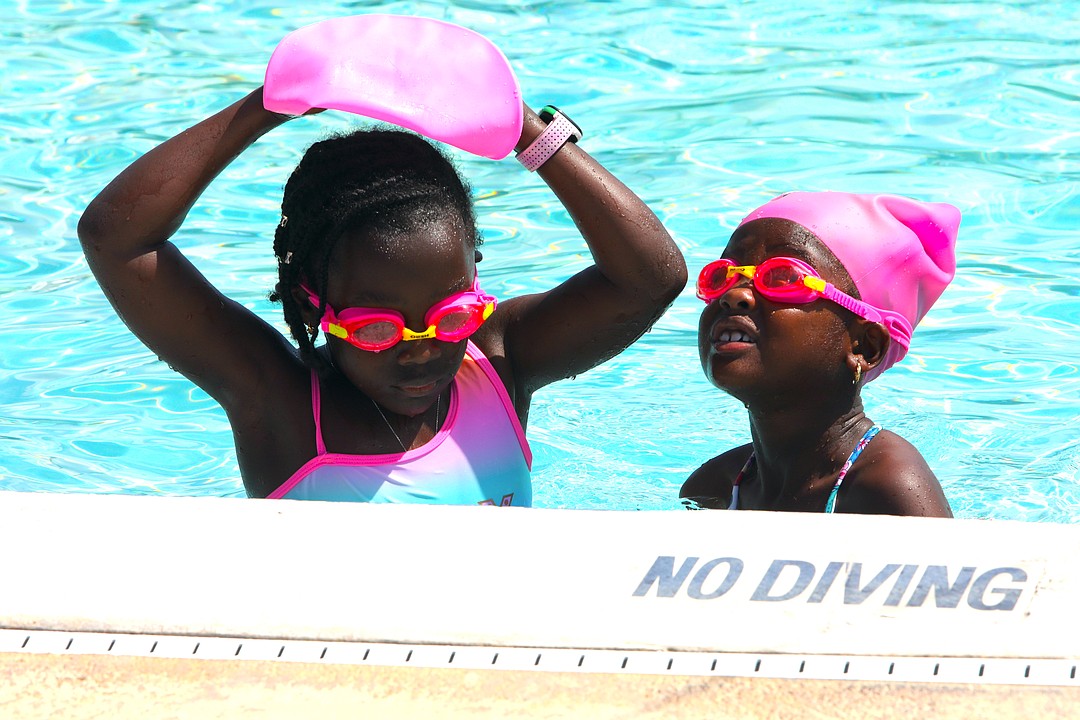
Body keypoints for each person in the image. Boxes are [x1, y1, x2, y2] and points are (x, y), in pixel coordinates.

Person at [78, 33, 685, 504]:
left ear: (475, 278)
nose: (420, 351)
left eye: (451, 318)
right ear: (315, 301)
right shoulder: (283, 403)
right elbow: (117, 239)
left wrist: (529, 134)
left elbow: (651, 278)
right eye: (377, 329)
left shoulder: (497, 365)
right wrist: (268, 108)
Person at [680, 191, 957, 516]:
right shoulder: (714, 489)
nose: (736, 294)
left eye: (784, 278)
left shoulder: (889, 487)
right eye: (723, 276)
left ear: (863, 346)